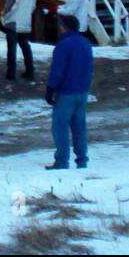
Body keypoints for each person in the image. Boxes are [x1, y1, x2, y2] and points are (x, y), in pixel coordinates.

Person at [46, 13, 93, 170]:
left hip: (66, 91)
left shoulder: (64, 44)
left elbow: (58, 69)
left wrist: (51, 87)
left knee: (60, 126)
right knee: (79, 126)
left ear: (63, 27)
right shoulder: (85, 43)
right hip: (82, 90)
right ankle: (82, 159)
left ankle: (62, 160)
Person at [1, 0, 36, 81]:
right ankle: (30, 71)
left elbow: (8, 6)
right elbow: (33, 6)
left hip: (13, 23)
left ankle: (10, 73)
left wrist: (3, 17)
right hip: (24, 23)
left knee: (11, 49)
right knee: (25, 47)